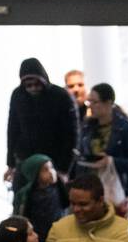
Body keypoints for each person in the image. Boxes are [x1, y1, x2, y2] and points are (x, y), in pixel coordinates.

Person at [6, 58, 78, 201]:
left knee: (52, 206)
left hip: (54, 163)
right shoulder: (18, 95)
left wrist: (64, 170)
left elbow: (71, 136)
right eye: (29, 85)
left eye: (36, 84)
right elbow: (12, 129)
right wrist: (11, 164)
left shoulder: (61, 96)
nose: (33, 88)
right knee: (24, 204)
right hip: (26, 162)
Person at [78, 83, 128, 204]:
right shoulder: (87, 127)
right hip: (92, 190)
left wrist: (111, 161)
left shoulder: (124, 128)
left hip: (119, 191)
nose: (90, 106)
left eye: (94, 102)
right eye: (89, 102)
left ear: (108, 103)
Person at [11, 154, 69, 242]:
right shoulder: (25, 195)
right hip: (38, 236)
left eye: (52, 168)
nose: (51, 172)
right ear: (34, 174)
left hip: (59, 234)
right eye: (45, 170)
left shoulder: (60, 188)